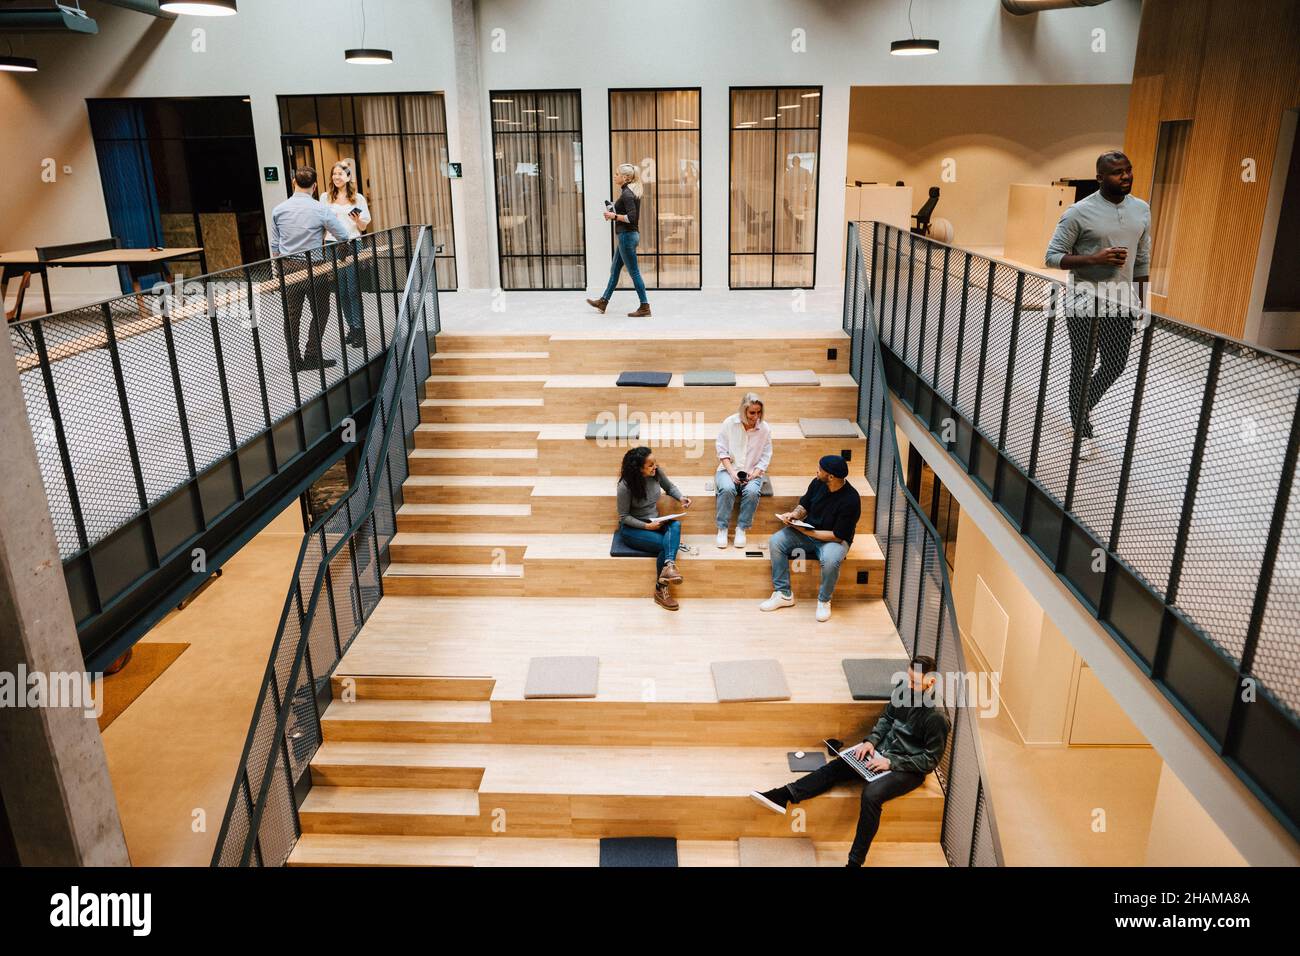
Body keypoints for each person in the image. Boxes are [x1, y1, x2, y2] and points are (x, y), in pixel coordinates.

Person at [749, 655, 949, 867]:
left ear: (931, 682)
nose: (908, 685)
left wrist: (891, 763)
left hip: (907, 768)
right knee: (840, 764)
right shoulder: (904, 688)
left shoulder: (936, 717)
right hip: (881, 753)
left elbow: (930, 759)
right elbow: (887, 718)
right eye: (908, 678)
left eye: (914, 682)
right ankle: (785, 795)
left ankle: (854, 863)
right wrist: (871, 742)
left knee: (872, 795)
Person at [1045, 150, 1151, 462]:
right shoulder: (1078, 212)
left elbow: (1142, 258)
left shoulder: (1142, 209)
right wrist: (1094, 258)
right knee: (1084, 364)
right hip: (1083, 303)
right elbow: (1051, 256)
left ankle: (1080, 406)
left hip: (1122, 303)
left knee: (1116, 363)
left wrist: (1141, 302)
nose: (1126, 176)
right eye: (1118, 172)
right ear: (1100, 178)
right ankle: (1082, 429)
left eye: (1129, 170)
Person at [269, 166, 352, 372]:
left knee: (291, 317)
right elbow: (343, 236)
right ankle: (312, 354)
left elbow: (274, 246)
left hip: (288, 268)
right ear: (315, 187)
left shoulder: (278, 210)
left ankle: (295, 362)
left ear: (293, 183)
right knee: (322, 310)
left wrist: (279, 270)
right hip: (315, 268)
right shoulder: (321, 209)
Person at [760, 454, 860, 623]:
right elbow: (804, 506)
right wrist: (794, 515)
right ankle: (784, 594)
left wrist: (806, 532)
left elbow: (838, 536)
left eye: (820, 469)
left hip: (832, 540)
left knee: (830, 561)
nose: (817, 471)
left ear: (831, 476)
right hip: (809, 531)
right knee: (776, 541)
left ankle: (824, 600)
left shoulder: (851, 499)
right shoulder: (817, 483)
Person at [616, 446, 691, 610]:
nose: (655, 467)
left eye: (655, 463)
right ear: (638, 468)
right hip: (633, 528)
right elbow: (624, 517)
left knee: (675, 524)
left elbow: (669, 487)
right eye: (650, 465)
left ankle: (669, 566)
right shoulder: (625, 486)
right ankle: (661, 590)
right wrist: (646, 526)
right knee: (666, 545)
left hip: (655, 521)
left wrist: (681, 497)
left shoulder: (656, 473)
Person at [586, 163, 651, 317]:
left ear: (625, 177)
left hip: (627, 237)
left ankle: (645, 306)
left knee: (634, 272)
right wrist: (614, 209)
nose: (614, 176)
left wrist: (613, 216)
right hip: (627, 236)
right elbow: (628, 213)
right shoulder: (628, 192)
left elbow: (632, 217)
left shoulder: (628, 194)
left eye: (617, 174)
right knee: (614, 270)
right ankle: (603, 301)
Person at [321, 160, 372, 348]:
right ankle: (351, 327)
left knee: (352, 289)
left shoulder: (358, 198)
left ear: (348, 177)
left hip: (352, 244)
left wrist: (358, 220)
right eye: (334, 174)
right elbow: (321, 222)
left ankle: (359, 329)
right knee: (341, 291)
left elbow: (364, 226)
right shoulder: (325, 197)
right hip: (333, 245)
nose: (336, 177)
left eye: (340, 174)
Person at [714, 392, 773, 550]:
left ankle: (741, 528)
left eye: (759, 412)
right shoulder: (729, 423)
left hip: (753, 472)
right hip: (727, 470)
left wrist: (755, 473)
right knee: (727, 489)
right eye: (752, 412)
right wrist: (732, 473)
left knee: (753, 492)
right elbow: (722, 451)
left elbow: (766, 455)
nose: (756, 416)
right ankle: (722, 528)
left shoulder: (765, 429)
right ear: (744, 411)